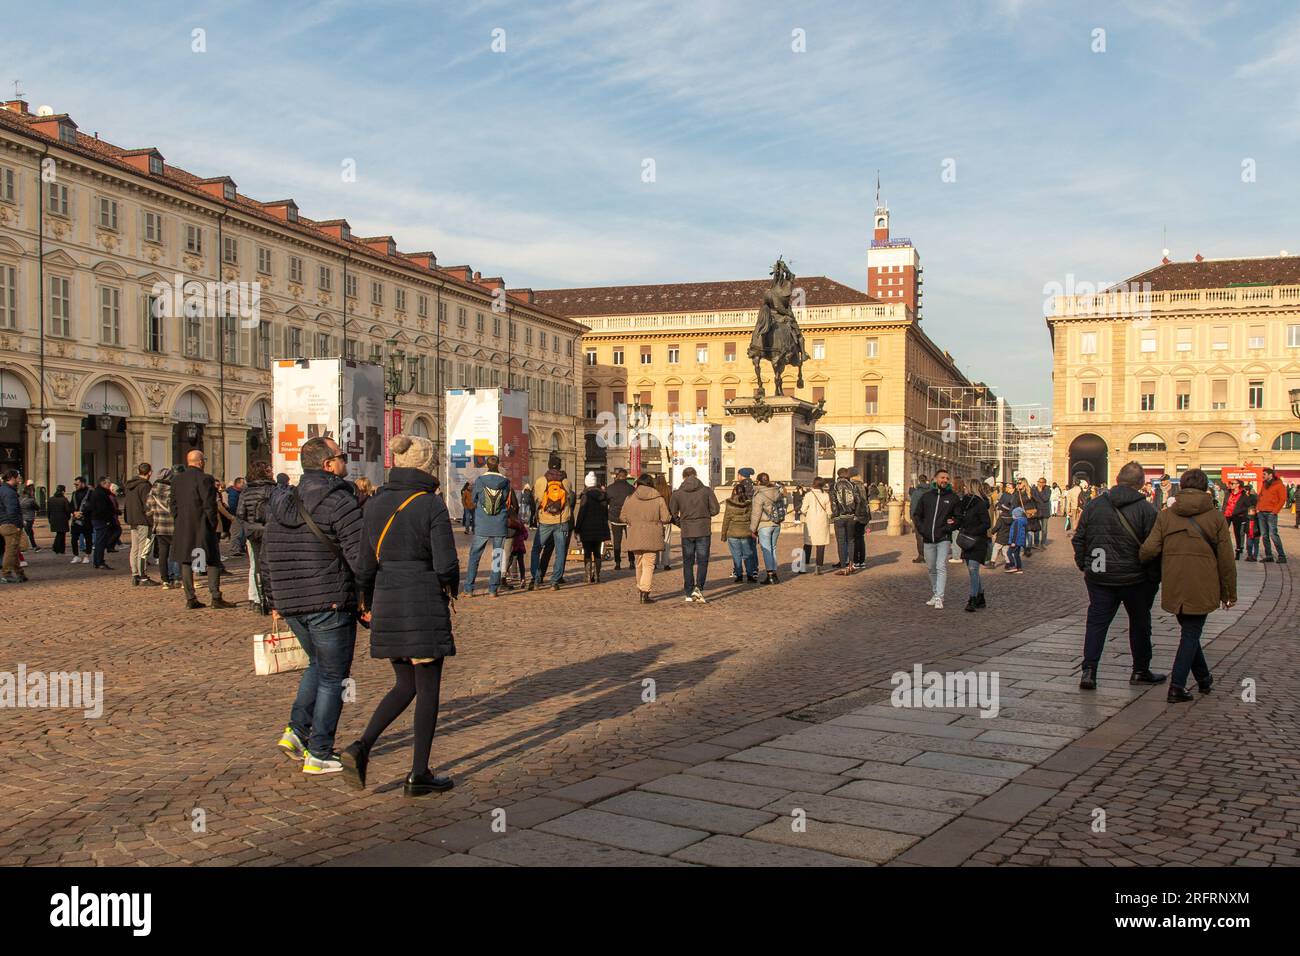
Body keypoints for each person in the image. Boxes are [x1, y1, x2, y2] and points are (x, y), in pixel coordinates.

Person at [343, 434, 460, 796]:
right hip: (421, 598)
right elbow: (446, 563)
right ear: (427, 464)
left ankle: (362, 745)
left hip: (388, 598)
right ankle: (418, 772)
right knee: (426, 689)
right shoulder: (430, 504)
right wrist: (450, 588)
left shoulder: (375, 503)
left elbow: (363, 562)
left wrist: (365, 599)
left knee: (403, 684)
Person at [264, 435, 366, 775]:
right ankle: (320, 751)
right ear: (328, 465)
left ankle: (296, 731)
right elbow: (359, 557)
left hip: (292, 602)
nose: (345, 459)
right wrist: (367, 597)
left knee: (317, 667)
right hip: (329, 600)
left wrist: (273, 601)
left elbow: (267, 556)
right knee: (333, 677)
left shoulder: (283, 501)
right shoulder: (340, 500)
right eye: (340, 455)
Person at [1138, 468, 1236, 703]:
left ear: (1181, 486)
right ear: (1205, 488)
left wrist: (1142, 557)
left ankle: (1203, 678)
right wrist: (1229, 593)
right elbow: (1226, 559)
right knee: (1191, 633)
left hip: (1175, 581)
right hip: (1203, 582)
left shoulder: (1166, 515)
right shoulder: (1215, 517)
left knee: (1190, 632)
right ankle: (1177, 686)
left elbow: (1149, 549)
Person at [1073, 461, 1165, 691]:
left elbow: (1079, 538)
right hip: (1135, 578)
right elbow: (1154, 548)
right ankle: (1140, 670)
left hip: (1099, 576)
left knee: (1096, 624)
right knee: (1140, 625)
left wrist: (1086, 565)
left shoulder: (1094, 505)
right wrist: (1153, 578)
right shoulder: (1147, 510)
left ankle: (1089, 670)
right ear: (1141, 483)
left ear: (1117, 480)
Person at [169, 453, 231, 607]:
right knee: (212, 560)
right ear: (201, 462)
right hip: (202, 525)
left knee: (186, 560)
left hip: (183, 525)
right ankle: (215, 597)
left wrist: (178, 520)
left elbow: (173, 504)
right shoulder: (205, 479)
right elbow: (209, 504)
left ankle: (190, 598)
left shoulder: (177, 479)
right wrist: (212, 523)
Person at [668, 466, 720, 602]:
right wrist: (704, 515)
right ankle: (699, 588)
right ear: (696, 475)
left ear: (683, 477)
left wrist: (681, 523)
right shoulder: (706, 491)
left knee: (688, 562)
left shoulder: (677, 493)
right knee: (702, 561)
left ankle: (688, 591)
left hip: (687, 531)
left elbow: (672, 513)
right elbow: (715, 510)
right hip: (703, 529)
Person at [463, 455, 512, 598]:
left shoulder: (480, 481)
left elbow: (473, 500)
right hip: (499, 522)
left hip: (483, 522)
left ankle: (469, 588)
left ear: (486, 465)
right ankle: (493, 589)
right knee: (497, 556)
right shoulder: (505, 482)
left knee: (475, 556)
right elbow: (505, 499)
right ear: (498, 465)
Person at [912, 468, 960, 608]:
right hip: (928, 538)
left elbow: (958, 517)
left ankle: (940, 597)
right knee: (931, 568)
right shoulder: (926, 497)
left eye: (946, 478)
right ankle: (935, 593)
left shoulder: (953, 498)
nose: (945, 480)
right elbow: (917, 514)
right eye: (942, 478)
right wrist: (922, 529)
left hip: (944, 537)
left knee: (941, 566)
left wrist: (950, 526)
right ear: (935, 479)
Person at [622, 472, 671, 603]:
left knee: (638, 564)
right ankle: (645, 592)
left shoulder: (630, 498)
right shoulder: (658, 498)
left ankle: (641, 588)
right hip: (652, 535)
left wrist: (633, 521)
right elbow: (666, 518)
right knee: (649, 564)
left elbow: (622, 517)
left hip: (635, 534)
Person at [530, 454, 574, 590]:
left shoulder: (540, 481)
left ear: (548, 465)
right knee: (560, 551)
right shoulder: (566, 482)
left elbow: (537, 499)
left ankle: (536, 580)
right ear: (560, 467)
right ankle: (554, 581)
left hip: (545, 520)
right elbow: (570, 500)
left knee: (537, 548)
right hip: (561, 521)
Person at [237, 460, 276, 612]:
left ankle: (259, 601)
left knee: (256, 565)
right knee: (271, 564)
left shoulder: (246, 491)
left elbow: (240, 513)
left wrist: (248, 525)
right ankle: (271, 600)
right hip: (269, 530)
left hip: (252, 532)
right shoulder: (273, 489)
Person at [958, 481, 991, 611]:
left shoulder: (980, 504)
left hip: (978, 540)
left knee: (973, 569)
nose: (964, 488)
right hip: (967, 540)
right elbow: (959, 518)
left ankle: (972, 599)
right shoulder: (964, 503)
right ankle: (980, 596)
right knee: (973, 571)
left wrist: (973, 531)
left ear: (971, 488)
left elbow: (986, 523)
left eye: (966, 486)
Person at [573, 472, 611, 584]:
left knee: (587, 552)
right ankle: (598, 575)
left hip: (587, 528)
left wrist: (577, 529)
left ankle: (588, 576)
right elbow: (605, 514)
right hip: (599, 528)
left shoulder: (585, 496)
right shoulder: (603, 496)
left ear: (586, 483)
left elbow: (581, 514)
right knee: (598, 552)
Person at [123, 462, 157, 586]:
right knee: (143, 549)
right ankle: (143, 576)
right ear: (149, 473)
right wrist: (152, 520)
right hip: (143, 520)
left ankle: (135, 574)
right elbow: (148, 505)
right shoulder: (145, 486)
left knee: (135, 548)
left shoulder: (130, 485)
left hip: (133, 520)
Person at [750, 472, 784, 584]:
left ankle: (770, 575)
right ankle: (774, 574)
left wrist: (752, 529)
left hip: (764, 525)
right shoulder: (776, 491)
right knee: (773, 549)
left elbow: (756, 514)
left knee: (766, 550)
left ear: (759, 481)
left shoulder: (759, 494)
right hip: (776, 524)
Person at [147, 468, 179, 589]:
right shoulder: (174, 489)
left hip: (159, 526)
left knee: (163, 554)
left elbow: (149, 510)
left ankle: (165, 579)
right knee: (175, 553)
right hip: (173, 525)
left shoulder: (153, 490)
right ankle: (176, 577)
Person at [720, 481, 757, 583]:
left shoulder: (730, 503)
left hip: (732, 533)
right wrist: (754, 531)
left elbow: (726, 519)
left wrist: (723, 534)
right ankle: (750, 575)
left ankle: (739, 575)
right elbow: (752, 518)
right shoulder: (749, 503)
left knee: (736, 555)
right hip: (745, 533)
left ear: (735, 491)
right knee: (748, 555)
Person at [829, 468, 863, 575]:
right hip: (851, 516)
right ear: (847, 475)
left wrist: (835, 514)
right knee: (851, 541)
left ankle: (843, 567)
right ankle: (851, 565)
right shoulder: (853, 485)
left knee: (841, 542)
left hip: (840, 517)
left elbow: (833, 502)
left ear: (838, 475)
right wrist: (856, 514)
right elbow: (858, 501)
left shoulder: (834, 486)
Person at [82, 476, 117, 570]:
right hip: (100, 520)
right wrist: (109, 518)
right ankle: (99, 561)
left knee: (99, 541)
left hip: (98, 519)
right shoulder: (100, 494)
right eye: (108, 483)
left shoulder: (99, 492)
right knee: (100, 541)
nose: (110, 485)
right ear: (103, 484)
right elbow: (102, 509)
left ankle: (97, 561)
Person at [1255, 467, 1288, 563]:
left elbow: (1282, 499)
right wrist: (1258, 507)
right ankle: (1269, 556)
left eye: (1264, 474)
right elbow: (1260, 496)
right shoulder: (1264, 484)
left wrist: (1275, 511)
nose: (1262, 476)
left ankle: (1282, 556)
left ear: (1270, 475)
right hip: (1261, 512)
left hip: (1271, 513)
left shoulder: (1279, 485)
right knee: (1264, 535)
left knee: (1273, 534)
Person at [801, 475, 832, 575]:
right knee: (820, 544)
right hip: (822, 521)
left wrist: (806, 513)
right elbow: (829, 511)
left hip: (810, 521)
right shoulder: (826, 495)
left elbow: (803, 509)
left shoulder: (808, 495)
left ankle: (804, 566)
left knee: (808, 543)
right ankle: (818, 567)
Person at [605, 468, 634, 571]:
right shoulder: (631, 488)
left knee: (617, 541)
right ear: (625, 476)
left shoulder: (610, 488)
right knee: (630, 541)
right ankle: (632, 562)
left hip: (615, 518)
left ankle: (617, 563)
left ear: (617, 476)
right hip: (628, 518)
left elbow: (606, 502)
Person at [0, 471, 23, 584]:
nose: (20, 479)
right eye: (18, 477)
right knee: (10, 550)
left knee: (14, 550)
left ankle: (19, 572)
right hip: (10, 524)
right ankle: (6, 574)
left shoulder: (3, 490)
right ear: (12, 478)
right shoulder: (9, 492)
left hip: (4, 523)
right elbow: (12, 510)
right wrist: (17, 525)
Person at [1222, 479, 1252, 559]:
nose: (1230, 485)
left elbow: (1247, 506)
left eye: (1232, 483)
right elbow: (1225, 504)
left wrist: (1241, 513)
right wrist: (1223, 512)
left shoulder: (1243, 495)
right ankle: (1223, 549)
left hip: (1237, 516)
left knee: (1237, 533)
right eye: (1230, 483)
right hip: (1227, 514)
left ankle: (1238, 549)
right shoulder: (1228, 493)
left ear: (1238, 485)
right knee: (1223, 532)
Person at [69, 476, 92, 563]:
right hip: (75, 520)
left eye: (77, 484)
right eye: (75, 484)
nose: (75, 486)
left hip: (86, 519)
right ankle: (76, 555)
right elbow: (70, 505)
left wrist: (82, 512)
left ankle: (87, 555)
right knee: (74, 539)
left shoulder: (90, 493)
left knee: (88, 538)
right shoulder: (74, 493)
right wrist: (74, 512)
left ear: (83, 483)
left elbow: (92, 505)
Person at [851, 472, 871, 568]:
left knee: (855, 539)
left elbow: (857, 501)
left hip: (858, 515)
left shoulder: (854, 486)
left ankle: (856, 561)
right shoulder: (863, 486)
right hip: (865, 515)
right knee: (861, 538)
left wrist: (855, 514)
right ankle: (862, 561)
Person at [654, 474, 674, 570]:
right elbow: (672, 504)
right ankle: (666, 563)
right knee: (667, 541)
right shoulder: (669, 489)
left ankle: (655, 563)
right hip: (667, 519)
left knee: (656, 541)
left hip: (656, 519)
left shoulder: (653, 490)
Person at [908, 475, 929, 563]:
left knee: (919, 537)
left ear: (919, 481)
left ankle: (921, 556)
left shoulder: (916, 492)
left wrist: (912, 518)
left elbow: (913, 506)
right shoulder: (931, 491)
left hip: (919, 518)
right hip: (929, 518)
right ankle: (930, 556)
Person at [47, 485, 71, 555]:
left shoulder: (51, 499)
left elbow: (48, 511)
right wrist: (68, 517)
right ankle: (58, 548)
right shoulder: (64, 499)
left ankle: (59, 549)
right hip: (63, 519)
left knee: (59, 533)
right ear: (63, 491)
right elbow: (67, 510)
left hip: (53, 519)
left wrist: (49, 519)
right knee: (61, 534)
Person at [19, 481, 39, 551]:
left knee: (29, 532)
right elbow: (37, 507)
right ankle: (32, 546)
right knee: (29, 532)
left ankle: (34, 546)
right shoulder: (31, 500)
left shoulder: (20, 499)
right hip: (29, 518)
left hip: (22, 517)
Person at [1032, 477, 1052, 548]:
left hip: (1045, 512)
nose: (1039, 483)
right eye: (1038, 482)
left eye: (1041, 482)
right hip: (1037, 511)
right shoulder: (1034, 490)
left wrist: (1040, 492)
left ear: (1044, 483)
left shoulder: (1048, 490)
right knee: (1036, 528)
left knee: (1044, 529)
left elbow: (1045, 498)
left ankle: (1043, 542)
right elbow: (1034, 498)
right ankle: (1036, 543)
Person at [1006, 506, 1027, 573]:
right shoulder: (1022, 521)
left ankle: (1013, 566)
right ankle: (1019, 568)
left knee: (1009, 553)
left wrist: (1013, 542)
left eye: (1013, 515)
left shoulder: (1017, 522)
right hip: (1019, 541)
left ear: (1016, 515)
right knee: (1016, 555)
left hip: (1015, 541)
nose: (1012, 516)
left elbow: (1015, 533)